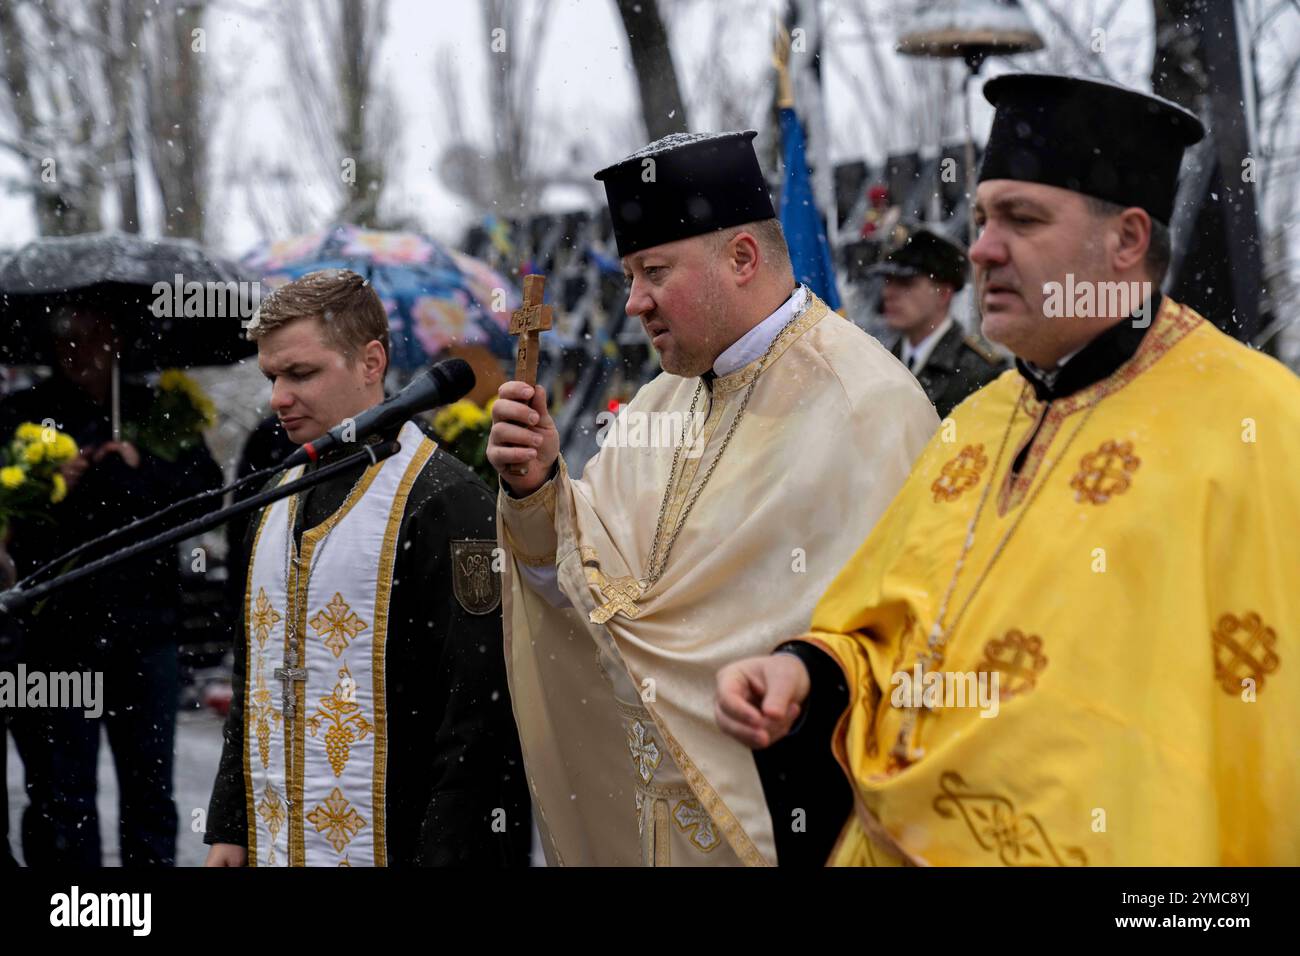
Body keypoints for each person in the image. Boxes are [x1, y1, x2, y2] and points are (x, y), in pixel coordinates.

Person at [716, 73, 1300, 866]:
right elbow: (889, 627)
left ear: (1128, 241)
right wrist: (807, 678)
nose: (982, 248)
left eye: (1022, 219)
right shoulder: (978, 423)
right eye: (983, 215)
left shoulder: (1261, 425)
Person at [489, 131, 937, 866]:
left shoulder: (870, 404)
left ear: (741, 259)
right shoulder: (659, 404)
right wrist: (537, 486)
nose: (633, 302)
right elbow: (589, 583)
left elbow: (896, 647)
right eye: (631, 274)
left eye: (654, 271)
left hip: (796, 818)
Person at [204, 269, 530, 867]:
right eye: (272, 376)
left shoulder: (447, 501)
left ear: (370, 362)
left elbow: (480, 715)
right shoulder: (276, 495)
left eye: (301, 373)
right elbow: (255, 672)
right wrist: (233, 824)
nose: (279, 396)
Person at [0, 305, 223, 867]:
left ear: (119, 340)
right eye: (67, 339)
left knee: (150, 793)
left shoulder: (159, 410)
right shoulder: (22, 413)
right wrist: (48, 481)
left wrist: (139, 468)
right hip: (53, 637)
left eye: (94, 336)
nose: (79, 351)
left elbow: (205, 496)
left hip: (144, 630)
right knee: (58, 795)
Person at [875, 222, 1006, 418]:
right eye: (887, 280)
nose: (888, 293)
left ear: (943, 293)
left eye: (905, 282)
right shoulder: (880, 361)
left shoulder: (981, 373)